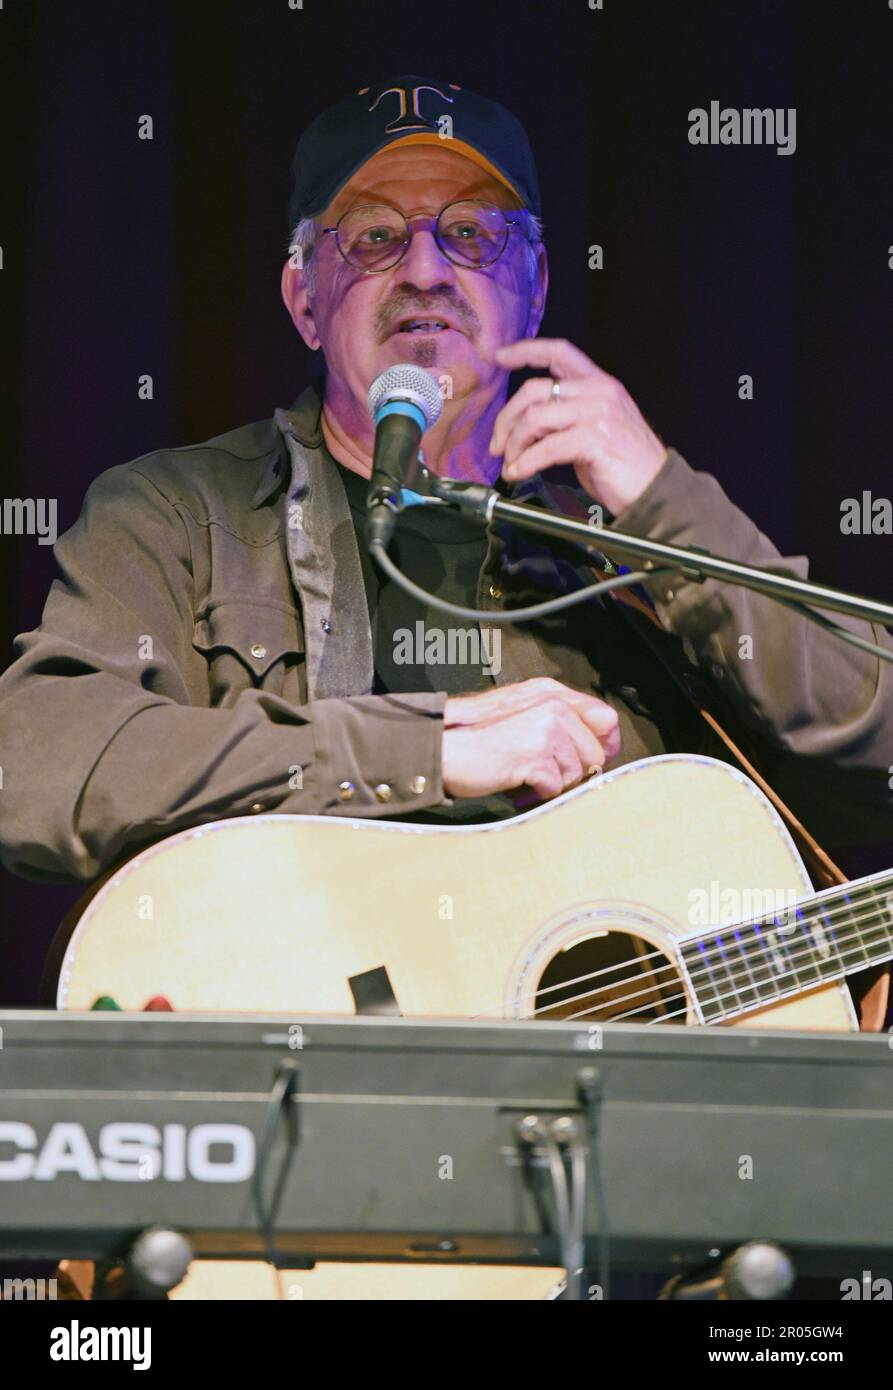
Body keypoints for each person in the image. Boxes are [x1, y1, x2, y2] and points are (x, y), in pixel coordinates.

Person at [4, 70, 892, 1302]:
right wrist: (418, 748)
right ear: (303, 299)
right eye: (372, 237)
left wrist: (658, 500)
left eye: (472, 236)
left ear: (529, 288)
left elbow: (876, 743)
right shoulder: (179, 516)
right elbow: (36, 758)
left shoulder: (620, 558)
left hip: (614, 1242)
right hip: (266, 1195)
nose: (425, 268)